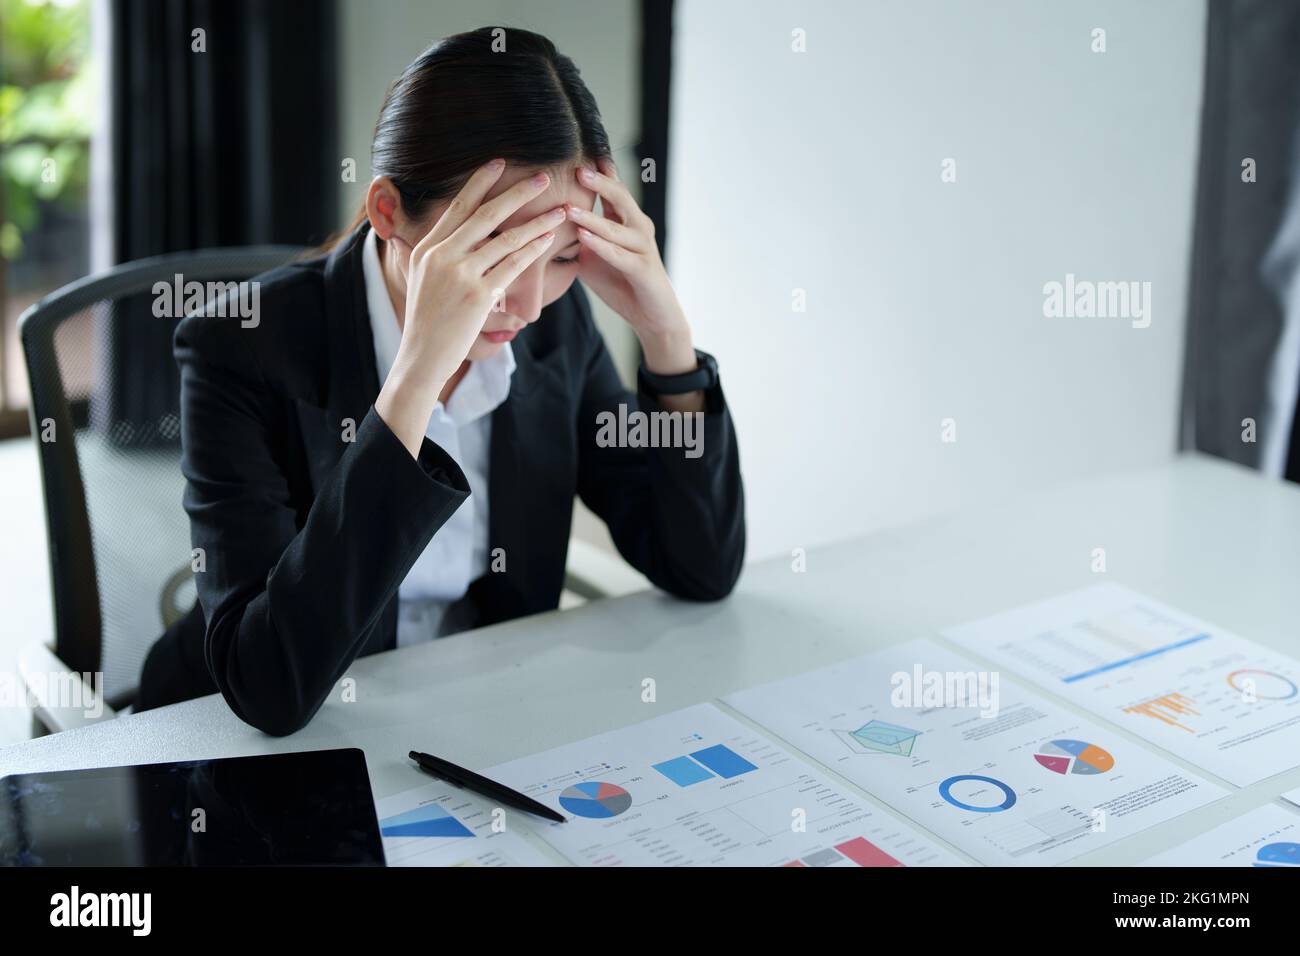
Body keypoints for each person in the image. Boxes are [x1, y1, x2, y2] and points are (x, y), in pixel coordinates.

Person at [137, 27, 745, 734]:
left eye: (561, 256)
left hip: (469, 724)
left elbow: (699, 567)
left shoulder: (555, 320)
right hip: (239, 744)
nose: (522, 304)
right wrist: (414, 380)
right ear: (388, 212)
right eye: (495, 250)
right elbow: (271, 687)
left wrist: (668, 342)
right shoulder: (233, 349)